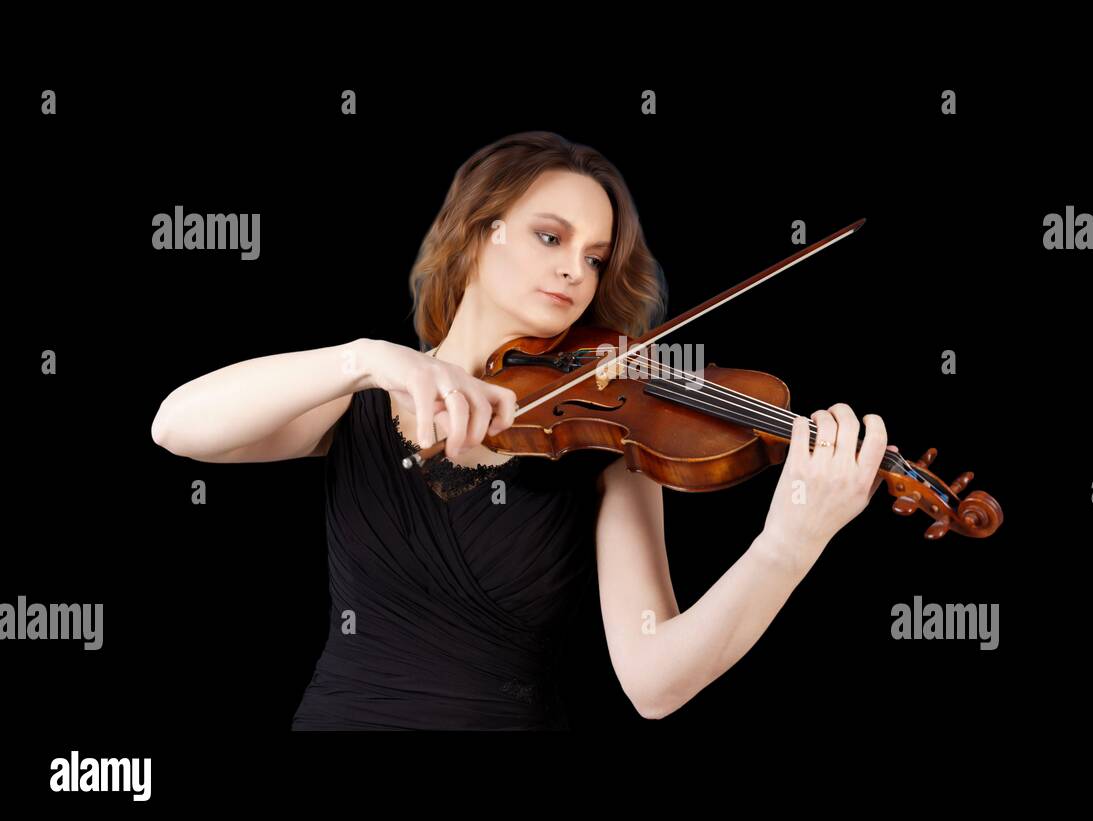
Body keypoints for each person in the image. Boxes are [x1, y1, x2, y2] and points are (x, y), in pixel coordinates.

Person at [150, 131, 895, 729]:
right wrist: (364, 360)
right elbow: (178, 426)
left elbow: (654, 684)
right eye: (551, 237)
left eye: (595, 258)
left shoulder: (608, 442)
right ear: (480, 233)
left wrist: (790, 543)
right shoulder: (360, 401)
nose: (577, 270)